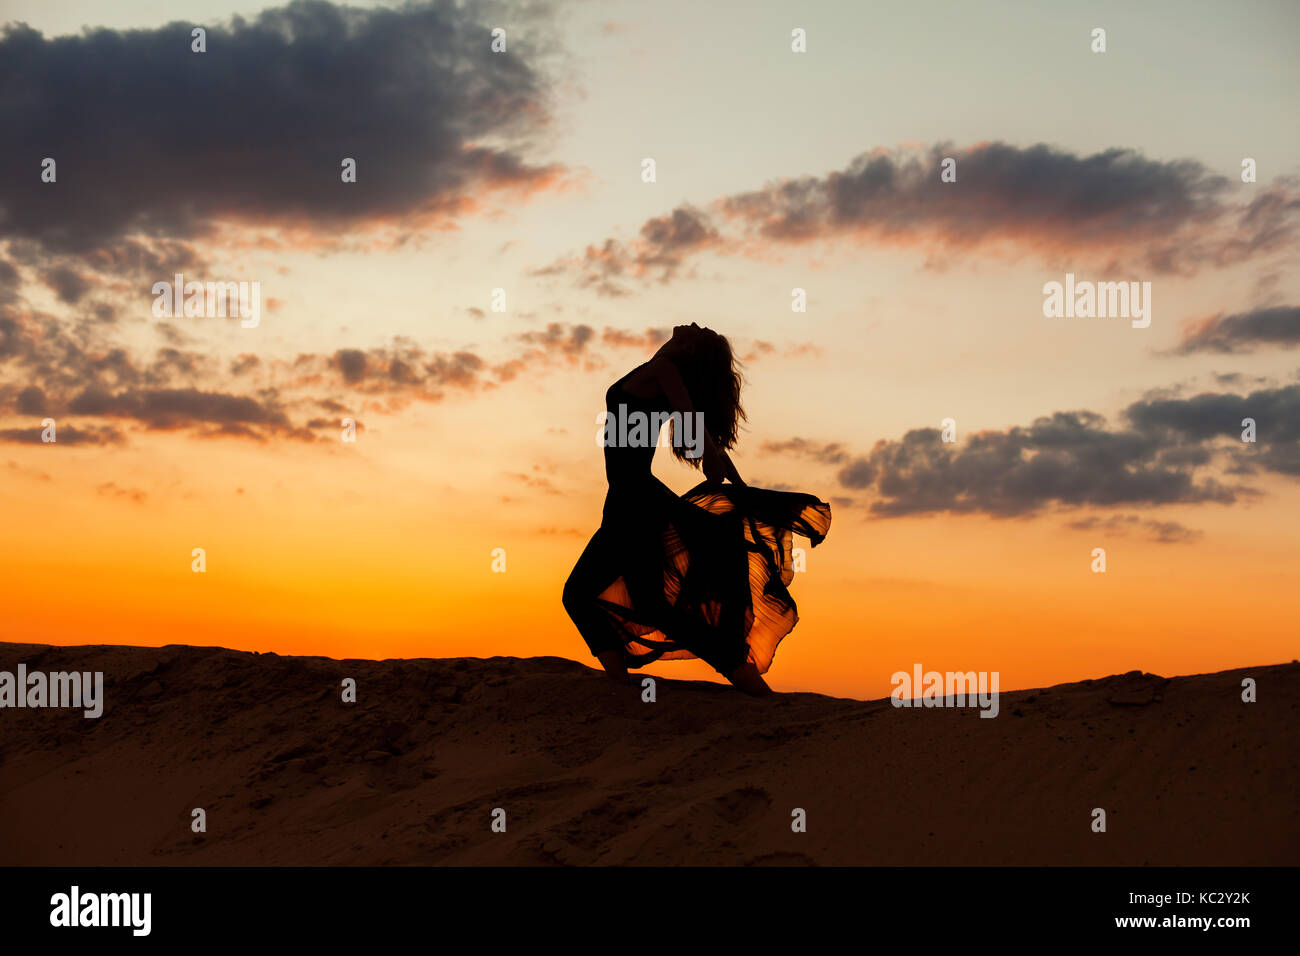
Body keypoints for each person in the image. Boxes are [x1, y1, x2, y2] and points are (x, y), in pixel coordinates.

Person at [562, 323, 831, 696]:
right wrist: (734, 482)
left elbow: (689, 418)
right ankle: (735, 675)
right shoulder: (659, 367)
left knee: (584, 595)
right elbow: (691, 417)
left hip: (634, 500)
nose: (694, 323)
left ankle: (628, 685)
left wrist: (715, 464)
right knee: (647, 604)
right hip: (631, 498)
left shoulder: (664, 371)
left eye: (699, 331)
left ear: (688, 348)